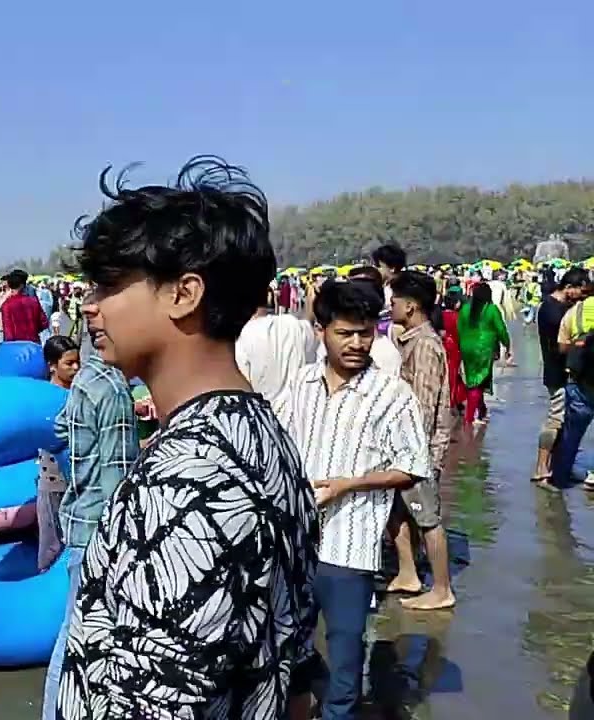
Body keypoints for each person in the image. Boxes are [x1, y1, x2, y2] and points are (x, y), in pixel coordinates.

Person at [55, 158, 318, 720]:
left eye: (109, 284)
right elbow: (296, 674)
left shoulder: (186, 477)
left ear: (184, 294)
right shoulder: (263, 434)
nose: (89, 305)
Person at [274, 280, 430, 720]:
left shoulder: (391, 394)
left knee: (345, 647)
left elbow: (412, 466)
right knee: (288, 642)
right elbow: (273, 437)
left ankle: (339, 712)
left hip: (351, 543)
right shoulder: (300, 383)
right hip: (296, 540)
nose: (357, 344)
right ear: (320, 330)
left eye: (365, 333)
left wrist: (350, 484)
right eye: (345, 333)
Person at [387, 271, 456, 611]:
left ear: (411, 306)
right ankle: (408, 573)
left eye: (395, 301)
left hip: (419, 448)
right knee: (398, 511)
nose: (390, 306)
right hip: (408, 445)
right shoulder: (411, 340)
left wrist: (414, 451)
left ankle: (442, 588)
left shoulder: (425, 345)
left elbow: (424, 405)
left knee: (427, 518)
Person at [533, 269, 589, 484]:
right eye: (580, 292)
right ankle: (541, 467)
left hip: (562, 372)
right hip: (557, 372)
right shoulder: (552, 310)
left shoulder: (558, 307)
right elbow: (562, 345)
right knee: (555, 420)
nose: (580, 298)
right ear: (569, 287)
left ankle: (556, 467)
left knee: (564, 422)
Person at [35, 335, 80, 573]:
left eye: (78, 362)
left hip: (78, 479)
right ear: (52, 366)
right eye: (69, 363)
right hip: (53, 480)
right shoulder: (45, 397)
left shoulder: (78, 393)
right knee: (51, 545)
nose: (76, 368)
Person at [458, 281, 512, 427]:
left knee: (473, 379)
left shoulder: (465, 308)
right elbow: (501, 329)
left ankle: (481, 410)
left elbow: (459, 328)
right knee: (478, 383)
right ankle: (470, 417)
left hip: (466, 347)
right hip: (484, 348)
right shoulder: (491, 309)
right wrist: (507, 345)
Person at [0, 271, 49, 343]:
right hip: (33, 343)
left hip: (15, 345)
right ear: (23, 285)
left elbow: (8, 331)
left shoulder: (7, 305)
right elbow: (44, 323)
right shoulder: (34, 301)